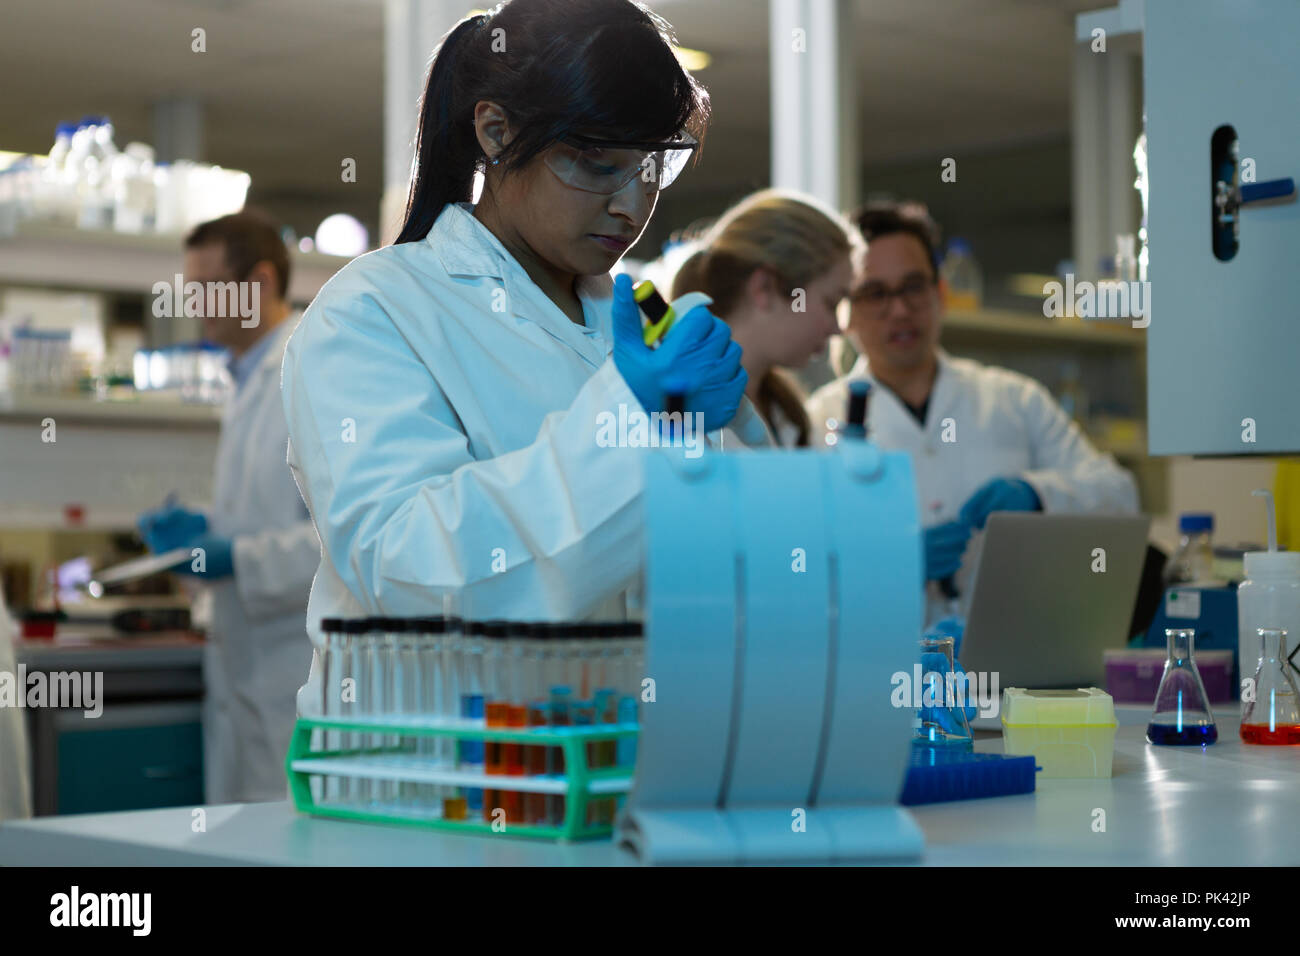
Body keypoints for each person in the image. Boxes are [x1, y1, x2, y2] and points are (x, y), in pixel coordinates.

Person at [280, 0, 746, 715]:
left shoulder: (641, 322)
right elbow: (412, 575)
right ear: (496, 132)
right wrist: (628, 422)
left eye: (654, 167)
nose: (632, 204)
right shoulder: (375, 310)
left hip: (621, 764)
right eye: (597, 164)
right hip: (439, 781)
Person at [807, 201, 1138, 620]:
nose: (899, 310)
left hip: (1013, 667)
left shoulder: (1015, 400)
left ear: (940, 292)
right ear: (847, 310)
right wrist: (895, 564)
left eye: (913, 287)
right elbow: (798, 569)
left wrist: (1038, 495)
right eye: (875, 293)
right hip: (881, 671)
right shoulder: (817, 424)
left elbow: (1120, 496)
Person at [137, 210, 317, 803]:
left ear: (260, 283)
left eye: (206, 290)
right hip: (244, 666)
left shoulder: (311, 369)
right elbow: (272, 511)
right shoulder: (244, 378)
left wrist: (235, 557)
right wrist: (205, 529)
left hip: (294, 671)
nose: (195, 306)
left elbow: (344, 541)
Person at [669, 189, 858, 447]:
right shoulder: (680, 409)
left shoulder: (788, 413)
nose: (839, 328)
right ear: (764, 288)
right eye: (831, 303)